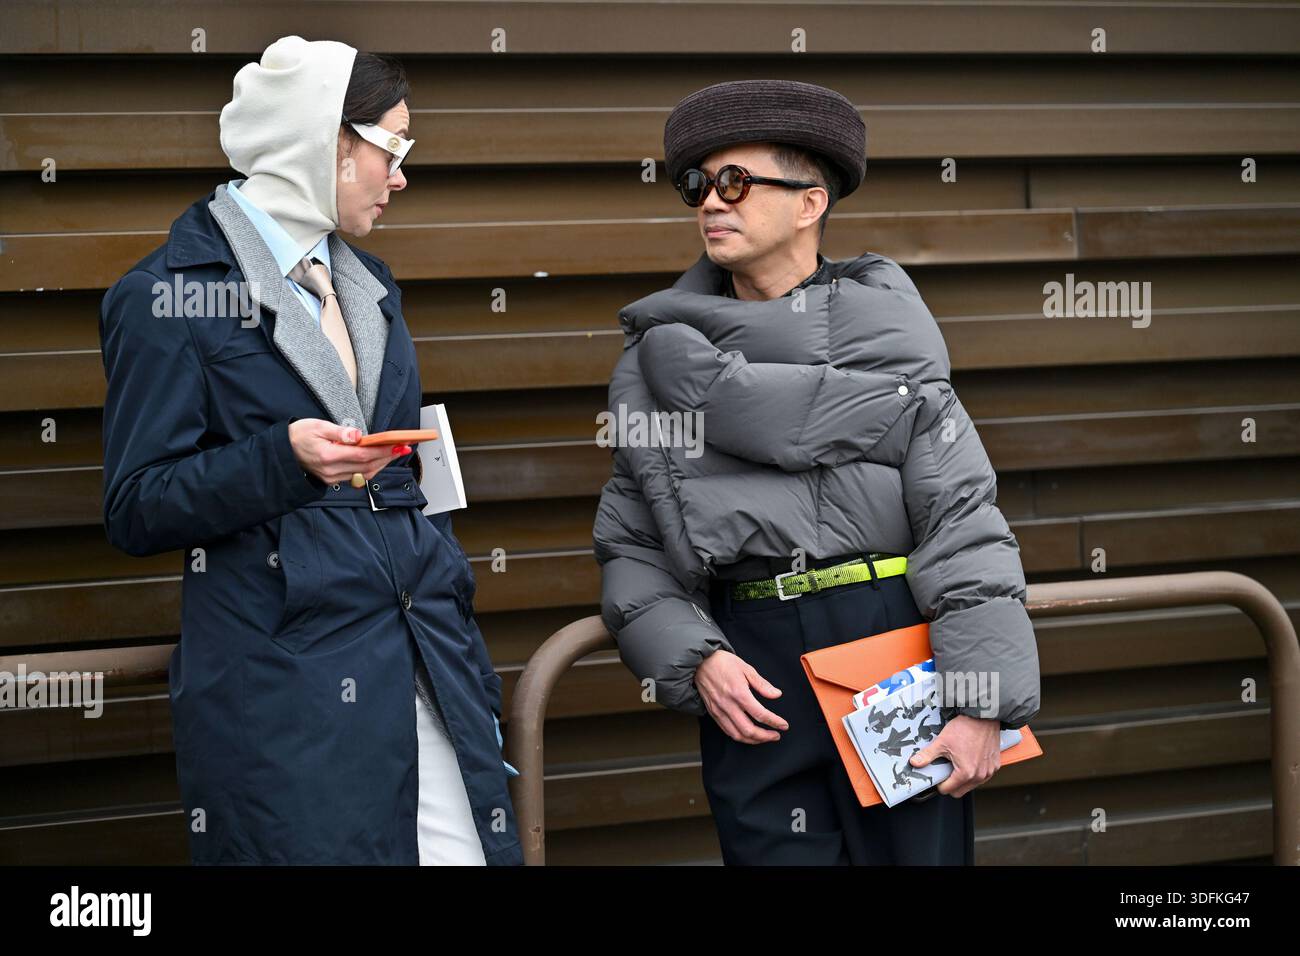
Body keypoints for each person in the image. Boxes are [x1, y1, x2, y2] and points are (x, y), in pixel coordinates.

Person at [593, 79, 1041, 865]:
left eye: (735, 183)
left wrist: (982, 702)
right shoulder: (660, 356)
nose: (709, 203)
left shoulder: (891, 339)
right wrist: (696, 657)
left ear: (810, 203)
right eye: (698, 185)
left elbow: (963, 529)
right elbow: (631, 542)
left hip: (892, 653)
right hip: (750, 673)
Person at [98, 35, 522, 865]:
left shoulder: (370, 284)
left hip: (427, 660)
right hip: (287, 696)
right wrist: (280, 460)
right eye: (392, 149)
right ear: (325, 140)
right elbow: (136, 504)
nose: (402, 176)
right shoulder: (164, 295)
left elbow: (410, 483)